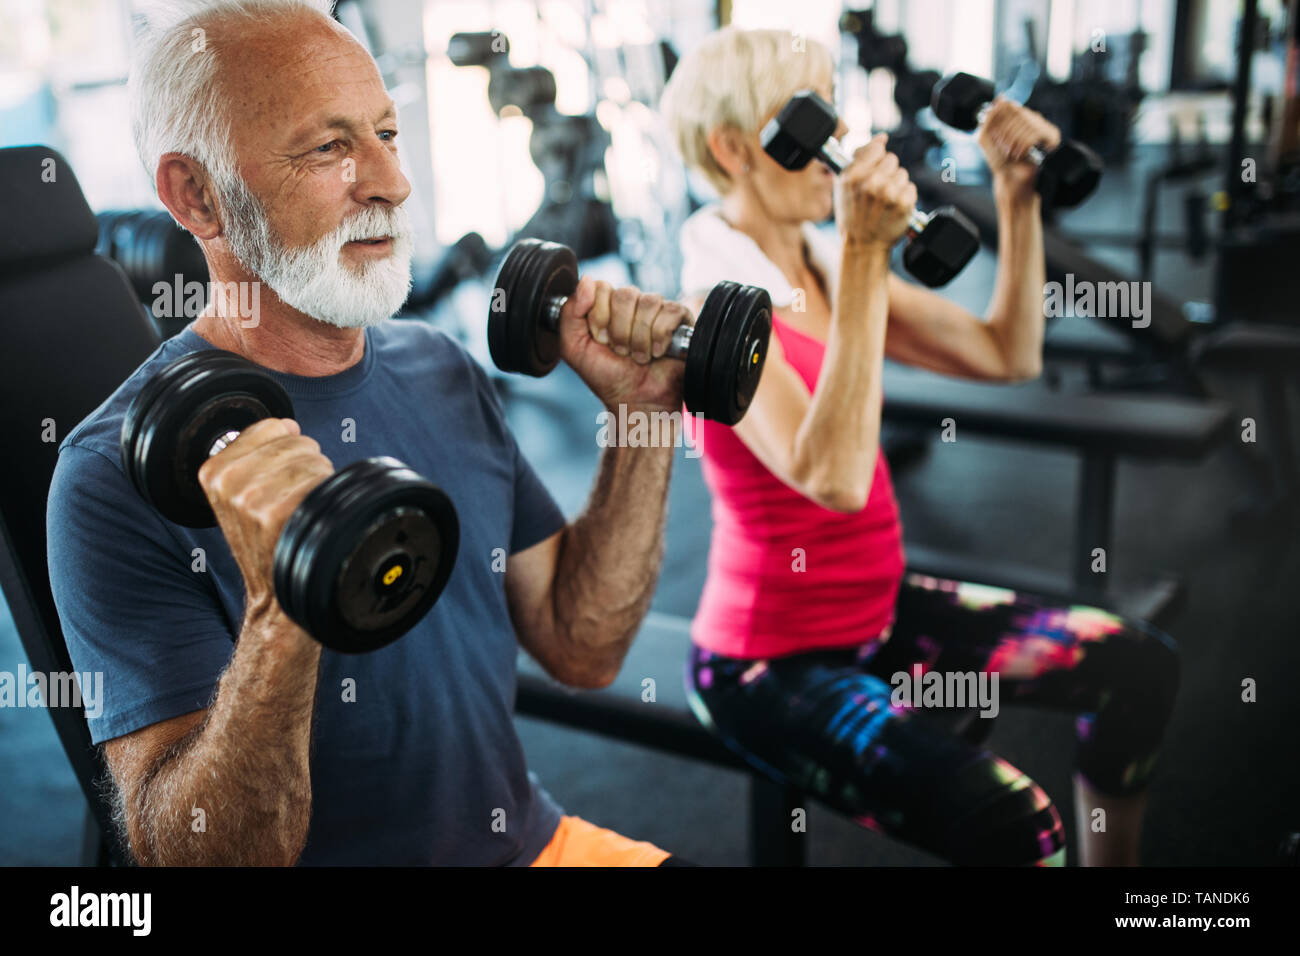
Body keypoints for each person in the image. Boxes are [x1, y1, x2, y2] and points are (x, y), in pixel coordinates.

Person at [46, 0, 693, 866]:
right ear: (196, 195)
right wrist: (285, 611)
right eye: (330, 146)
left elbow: (583, 645)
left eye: (387, 132)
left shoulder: (441, 366)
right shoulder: (110, 477)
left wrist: (643, 414)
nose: (392, 179)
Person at [661, 26, 1179, 866]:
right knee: (1021, 826)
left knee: (1138, 668)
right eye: (812, 123)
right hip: (768, 664)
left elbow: (1007, 352)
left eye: (836, 116)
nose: (842, 145)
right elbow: (829, 475)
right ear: (733, 147)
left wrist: (1017, 197)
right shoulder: (709, 313)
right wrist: (869, 253)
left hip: (877, 607)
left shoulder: (821, 262)